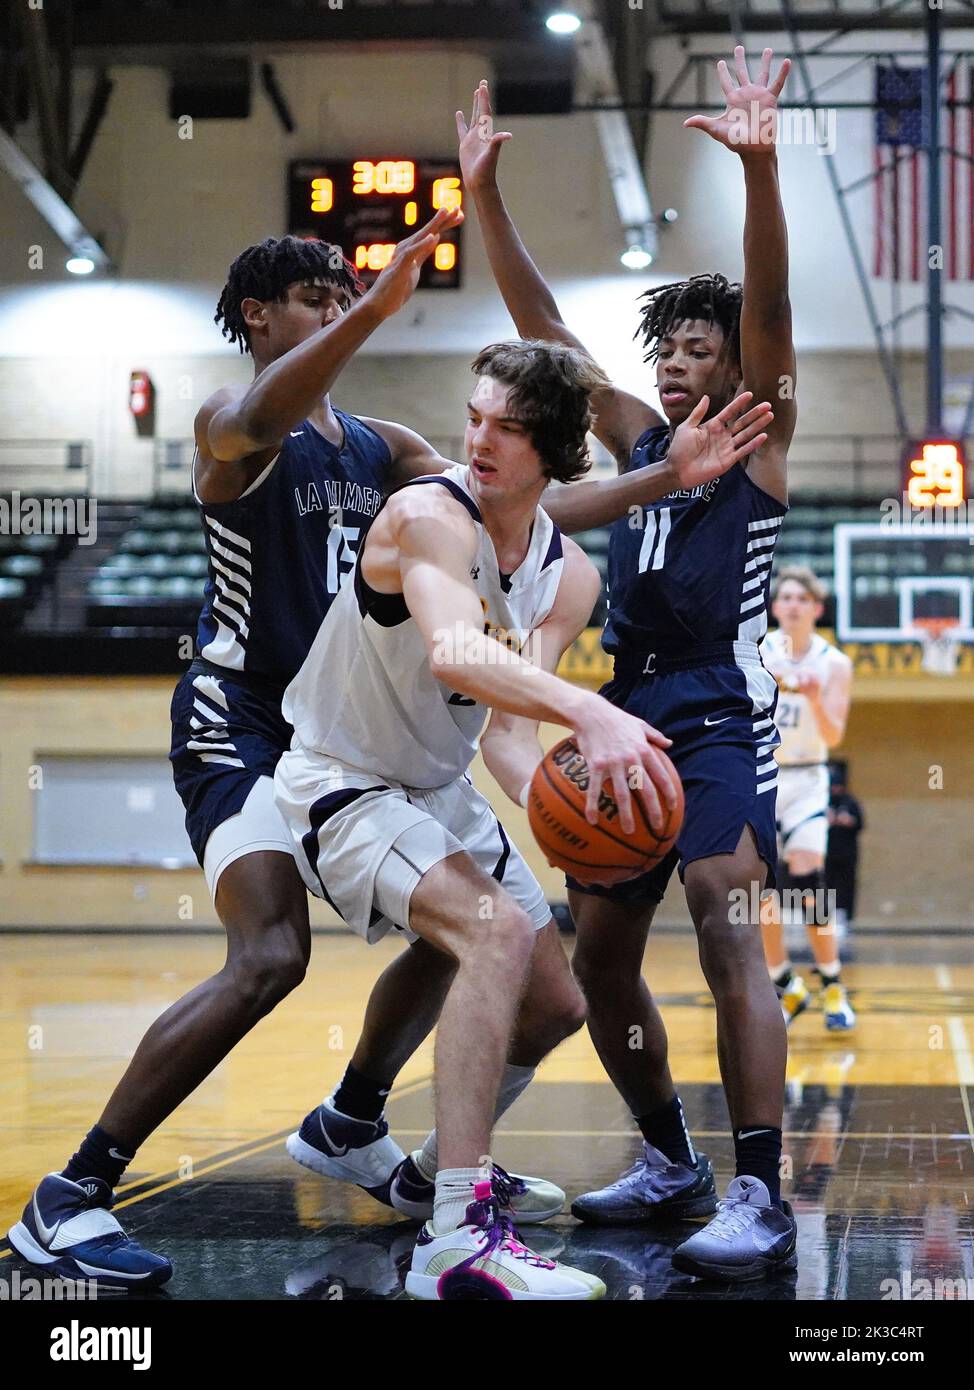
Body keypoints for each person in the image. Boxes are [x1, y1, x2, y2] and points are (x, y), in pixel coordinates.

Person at [8, 207, 760, 1287]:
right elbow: (451, 618)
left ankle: (356, 1119)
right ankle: (75, 1192)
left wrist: (660, 482)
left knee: (538, 974)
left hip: (390, 743)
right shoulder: (237, 424)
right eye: (307, 296)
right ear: (255, 317)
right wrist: (373, 309)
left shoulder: (385, 451)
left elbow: (536, 498)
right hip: (250, 719)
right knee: (272, 957)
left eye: (337, 291)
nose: (328, 306)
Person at [274, 324, 775, 1297]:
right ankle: (458, 1239)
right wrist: (590, 712)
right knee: (499, 931)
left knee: (558, 997)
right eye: (472, 416)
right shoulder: (428, 516)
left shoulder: (568, 575)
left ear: (550, 450)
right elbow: (456, 654)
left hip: (435, 789)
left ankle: (416, 1161)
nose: (476, 438)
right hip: (340, 777)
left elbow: (505, 732)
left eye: (504, 426)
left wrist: (574, 796)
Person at [458, 48, 799, 1281]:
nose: (677, 363)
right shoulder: (644, 442)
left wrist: (760, 174)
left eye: (698, 350)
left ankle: (759, 1190)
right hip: (630, 704)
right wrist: (482, 199)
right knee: (597, 956)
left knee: (725, 921)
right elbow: (542, 330)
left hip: (720, 704)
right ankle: (670, 1157)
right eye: (667, 350)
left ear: (732, 368)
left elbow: (770, 317)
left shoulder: (757, 439)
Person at [760, 568, 855, 1031]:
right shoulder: (758, 652)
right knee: (759, 892)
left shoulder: (835, 662)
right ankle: (785, 983)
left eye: (803, 598)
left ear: (817, 609)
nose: (793, 605)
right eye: (786, 597)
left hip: (807, 778)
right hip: (763, 775)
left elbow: (835, 733)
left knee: (807, 878)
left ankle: (832, 982)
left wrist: (814, 697)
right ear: (775, 607)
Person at [825, 761, 864, 933]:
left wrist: (847, 821)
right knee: (824, 885)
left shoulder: (851, 802)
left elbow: (860, 824)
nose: (835, 790)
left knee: (846, 886)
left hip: (847, 854)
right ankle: (824, 917)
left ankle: (845, 919)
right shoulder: (822, 801)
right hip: (827, 853)